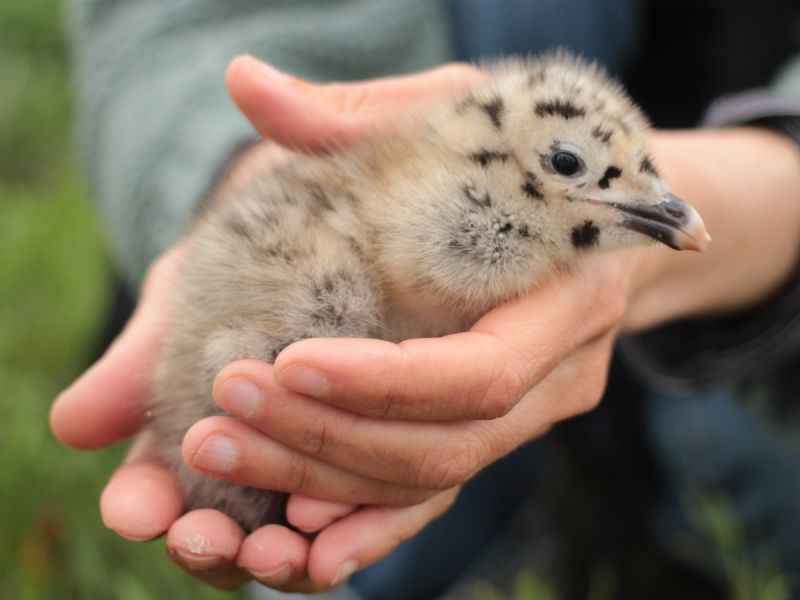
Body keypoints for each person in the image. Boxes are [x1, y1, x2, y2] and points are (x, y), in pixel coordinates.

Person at [52, 0, 800, 597]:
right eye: (573, 165)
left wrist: (772, 187)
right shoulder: (441, 218)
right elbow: (167, 29)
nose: (644, 198)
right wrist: (229, 163)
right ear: (483, 157)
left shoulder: (493, 214)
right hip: (274, 389)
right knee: (346, 513)